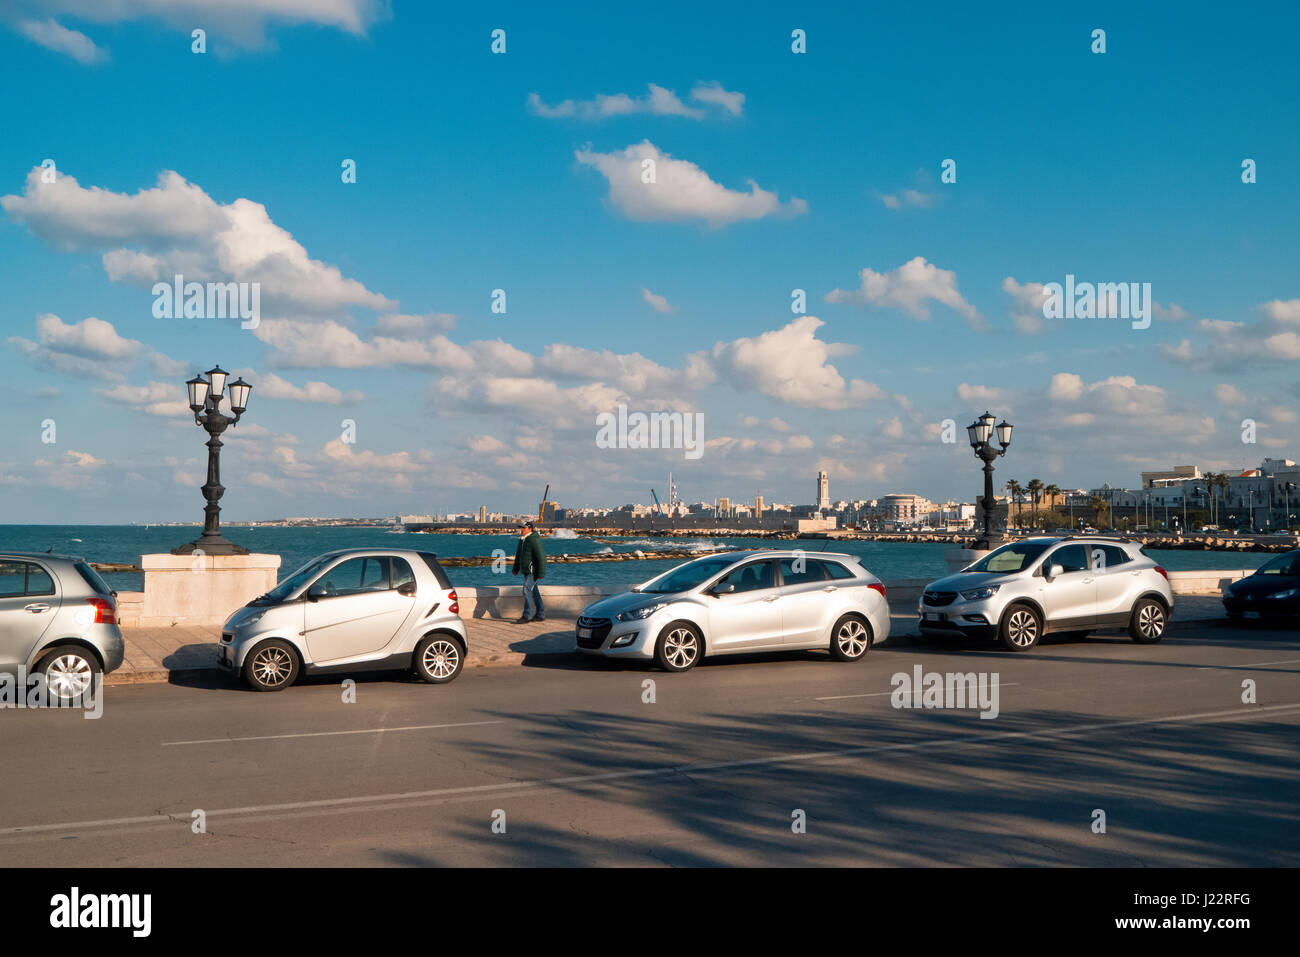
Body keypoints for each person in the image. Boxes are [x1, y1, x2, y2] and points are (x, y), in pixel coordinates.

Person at [512, 520, 546, 623]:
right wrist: (515, 569)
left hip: (532, 571)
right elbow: (518, 555)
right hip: (526, 570)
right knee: (535, 592)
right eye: (521, 528)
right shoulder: (522, 540)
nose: (521, 530)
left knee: (526, 590)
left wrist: (540, 573)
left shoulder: (533, 540)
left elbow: (541, 557)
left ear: (530, 529)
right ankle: (540, 614)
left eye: (523, 528)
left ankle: (526, 616)